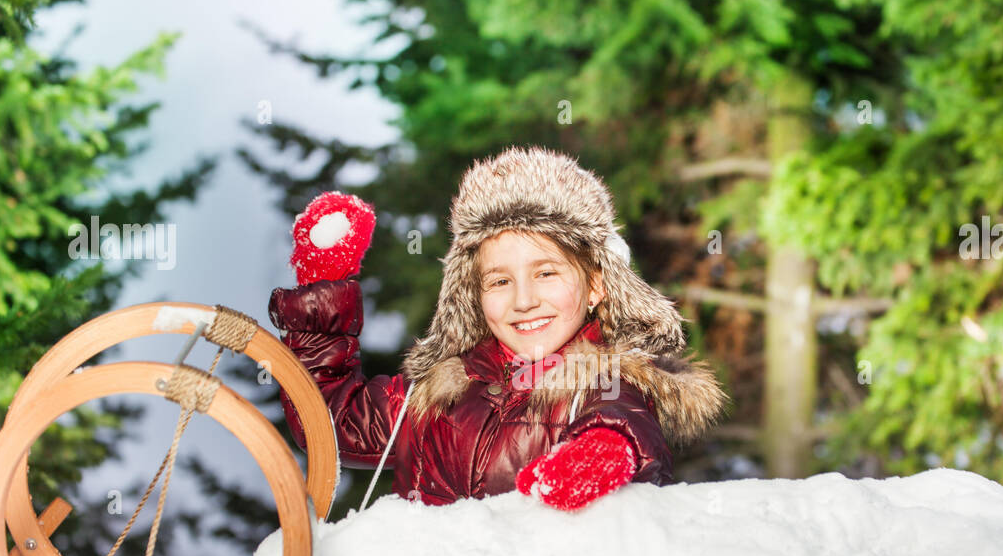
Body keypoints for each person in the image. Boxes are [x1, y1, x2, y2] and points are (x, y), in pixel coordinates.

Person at [268, 145, 728, 510]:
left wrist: (605, 452)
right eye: (500, 281)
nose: (524, 300)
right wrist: (323, 290)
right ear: (473, 294)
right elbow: (329, 423)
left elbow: (624, 423)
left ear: (595, 285)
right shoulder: (439, 393)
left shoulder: (609, 382)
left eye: (546, 273)